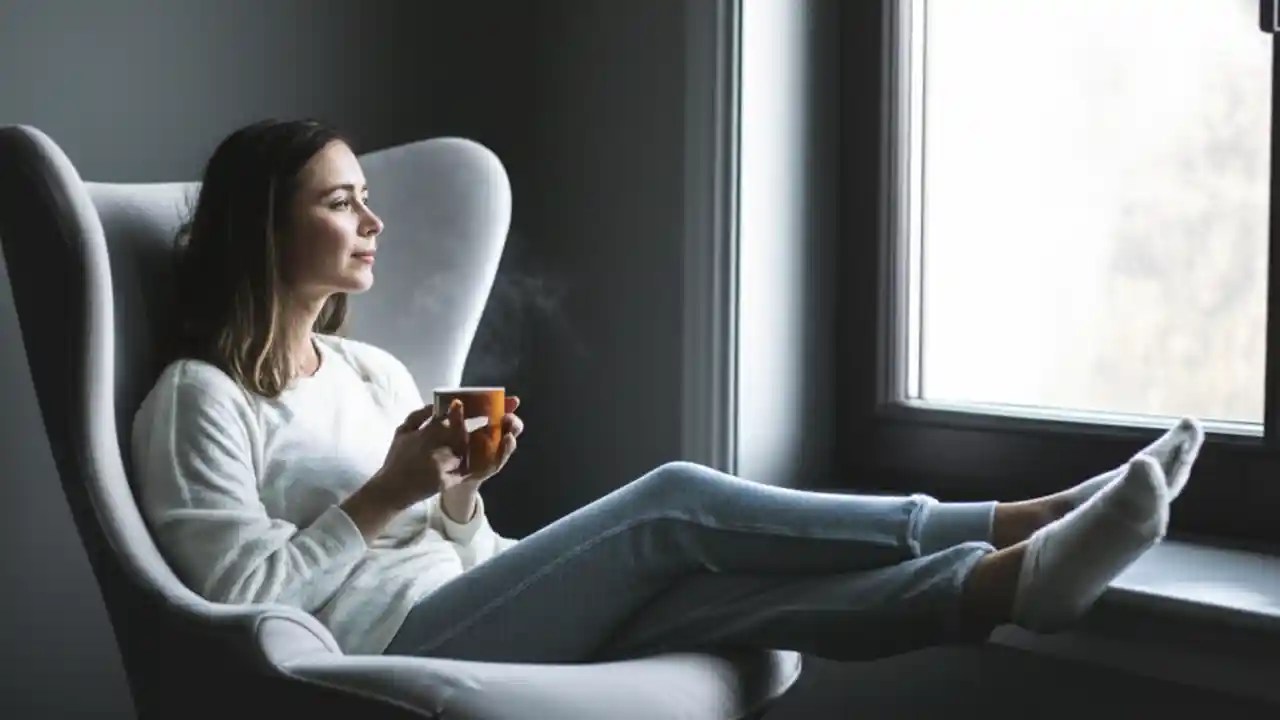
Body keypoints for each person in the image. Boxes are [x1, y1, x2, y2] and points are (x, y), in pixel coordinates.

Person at [131, 118, 1206, 665]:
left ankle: (1000, 588)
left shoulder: (373, 372)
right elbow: (233, 596)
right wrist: (382, 493)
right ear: (261, 229)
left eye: (368, 198)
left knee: (722, 602)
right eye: (338, 201)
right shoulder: (200, 399)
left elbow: (464, 557)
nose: (372, 221)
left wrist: (457, 497)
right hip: (382, 651)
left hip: (463, 601)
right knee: (674, 501)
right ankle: (1010, 518)